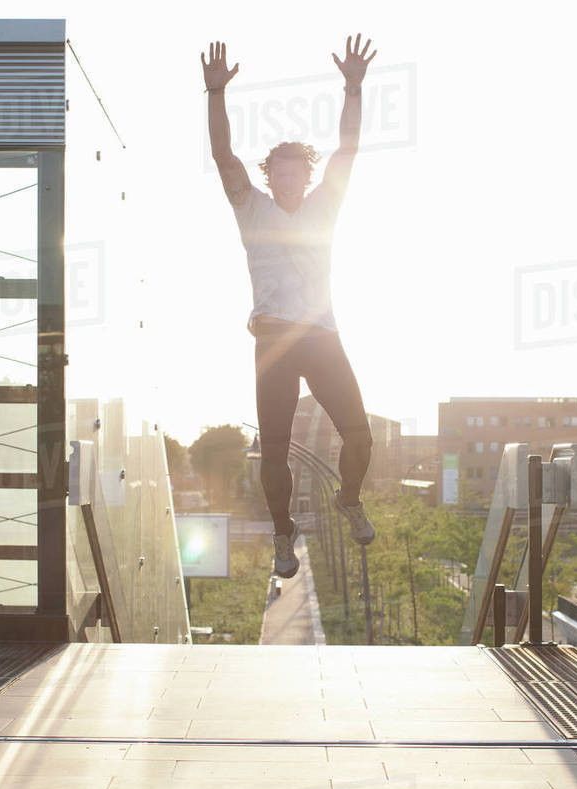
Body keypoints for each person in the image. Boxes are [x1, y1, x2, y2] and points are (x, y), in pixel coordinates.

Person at [202, 35, 378, 579]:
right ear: (267, 177)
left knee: (361, 435)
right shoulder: (250, 208)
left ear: (307, 176)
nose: (286, 178)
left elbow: (347, 151)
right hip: (275, 339)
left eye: (295, 170)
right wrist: (214, 95)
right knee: (274, 451)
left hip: (321, 336)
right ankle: (283, 533)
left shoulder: (325, 205)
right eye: (276, 171)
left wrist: (353, 87)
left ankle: (349, 499)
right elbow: (222, 155)